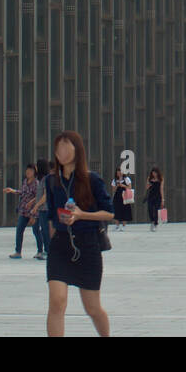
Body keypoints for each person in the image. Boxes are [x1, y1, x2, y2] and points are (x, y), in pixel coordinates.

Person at [43, 130, 113, 337]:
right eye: (58, 148)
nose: (61, 152)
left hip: (88, 246)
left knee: (92, 307)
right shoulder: (50, 181)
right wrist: (52, 242)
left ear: (77, 150)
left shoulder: (92, 179)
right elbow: (51, 217)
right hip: (60, 245)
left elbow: (109, 212)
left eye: (66, 146)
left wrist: (82, 215)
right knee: (57, 301)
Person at [3, 164, 43, 259]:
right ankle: (18, 251)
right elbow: (22, 192)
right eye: (27, 170)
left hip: (33, 211)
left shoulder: (37, 183)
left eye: (31, 170)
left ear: (34, 172)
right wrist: (12, 190)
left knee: (36, 231)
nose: (28, 172)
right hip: (24, 210)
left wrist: (32, 203)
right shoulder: (25, 181)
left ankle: (40, 251)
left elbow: (39, 196)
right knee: (19, 230)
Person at [27, 159, 51, 260]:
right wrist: (33, 202)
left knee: (45, 230)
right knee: (43, 230)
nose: (35, 168)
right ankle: (45, 250)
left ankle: (48, 251)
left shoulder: (46, 179)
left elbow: (45, 195)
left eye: (37, 165)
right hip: (42, 209)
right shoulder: (41, 179)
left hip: (45, 209)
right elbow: (39, 195)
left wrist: (36, 206)